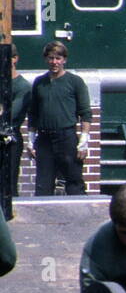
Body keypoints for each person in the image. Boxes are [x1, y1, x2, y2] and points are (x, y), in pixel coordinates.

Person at [29, 41, 91, 196]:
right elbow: (33, 113)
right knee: (43, 185)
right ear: (46, 59)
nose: (54, 62)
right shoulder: (39, 82)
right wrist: (30, 139)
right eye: (51, 58)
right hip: (44, 139)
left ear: (64, 60)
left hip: (67, 137)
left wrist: (84, 140)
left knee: (74, 182)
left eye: (58, 58)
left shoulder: (75, 82)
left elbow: (85, 113)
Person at [2, 45, 33, 218]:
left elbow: (10, 114)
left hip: (10, 139)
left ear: (15, 59)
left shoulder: (22, 86)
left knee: (9, 184)